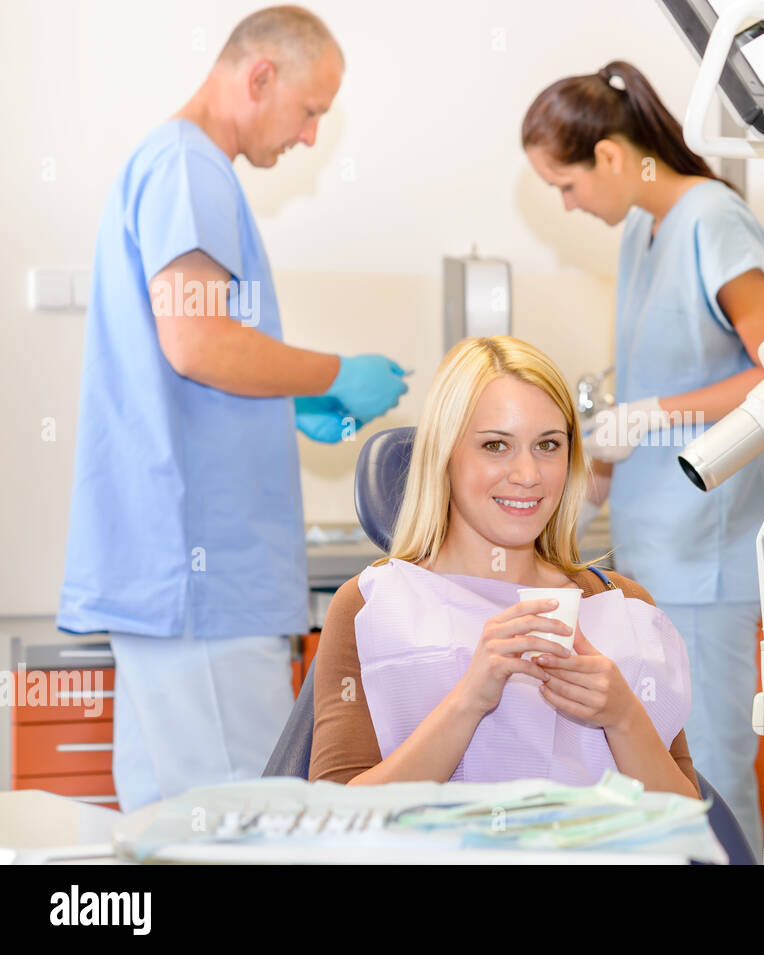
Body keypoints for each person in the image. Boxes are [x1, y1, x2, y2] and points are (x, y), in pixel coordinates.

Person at [56, 6, 410, 812]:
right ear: (260, 77)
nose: (311, 136)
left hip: (170, 572)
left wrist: (290, 399)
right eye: (311, 110)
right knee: (243, 818)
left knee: (167, 816)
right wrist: (335, 371)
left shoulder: (169, 165)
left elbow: (181, 360)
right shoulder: (190, 167)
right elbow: (197, 342)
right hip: (200, 578)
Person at [521, 60, 764, 853]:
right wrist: (597, 469)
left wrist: (654, 415)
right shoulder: (643, 228)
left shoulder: (715, 220)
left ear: (608, 156)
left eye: (565, 186)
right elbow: (649, 379)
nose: (567, 206)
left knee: (707, 771)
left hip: (707, 557)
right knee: (649, 769)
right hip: (651, 553)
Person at [309, 336, 698, 798]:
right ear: (445, 455)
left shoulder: (624, 606)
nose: (528, 474)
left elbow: (687, 817)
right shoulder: (370, 606)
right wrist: (468, 701)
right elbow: (334, 814)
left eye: (548, 445)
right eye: (496, 445)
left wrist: (624, 717)